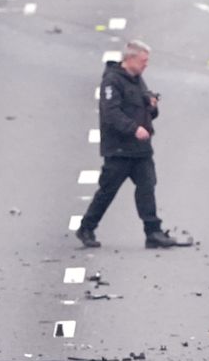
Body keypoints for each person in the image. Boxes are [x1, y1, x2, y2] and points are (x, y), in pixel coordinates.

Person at [77, 39, 184, 249]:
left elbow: (144, 106)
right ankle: (86, 227)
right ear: (131, 59)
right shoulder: (112, 81)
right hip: (119, 149)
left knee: (147, 187)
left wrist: (152, 105)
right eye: (144, 61)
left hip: (140, 150)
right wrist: (134, 129)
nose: (146, 65)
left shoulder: (137, 79)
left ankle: (153, 231)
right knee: (108, 190)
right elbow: (111, 113)